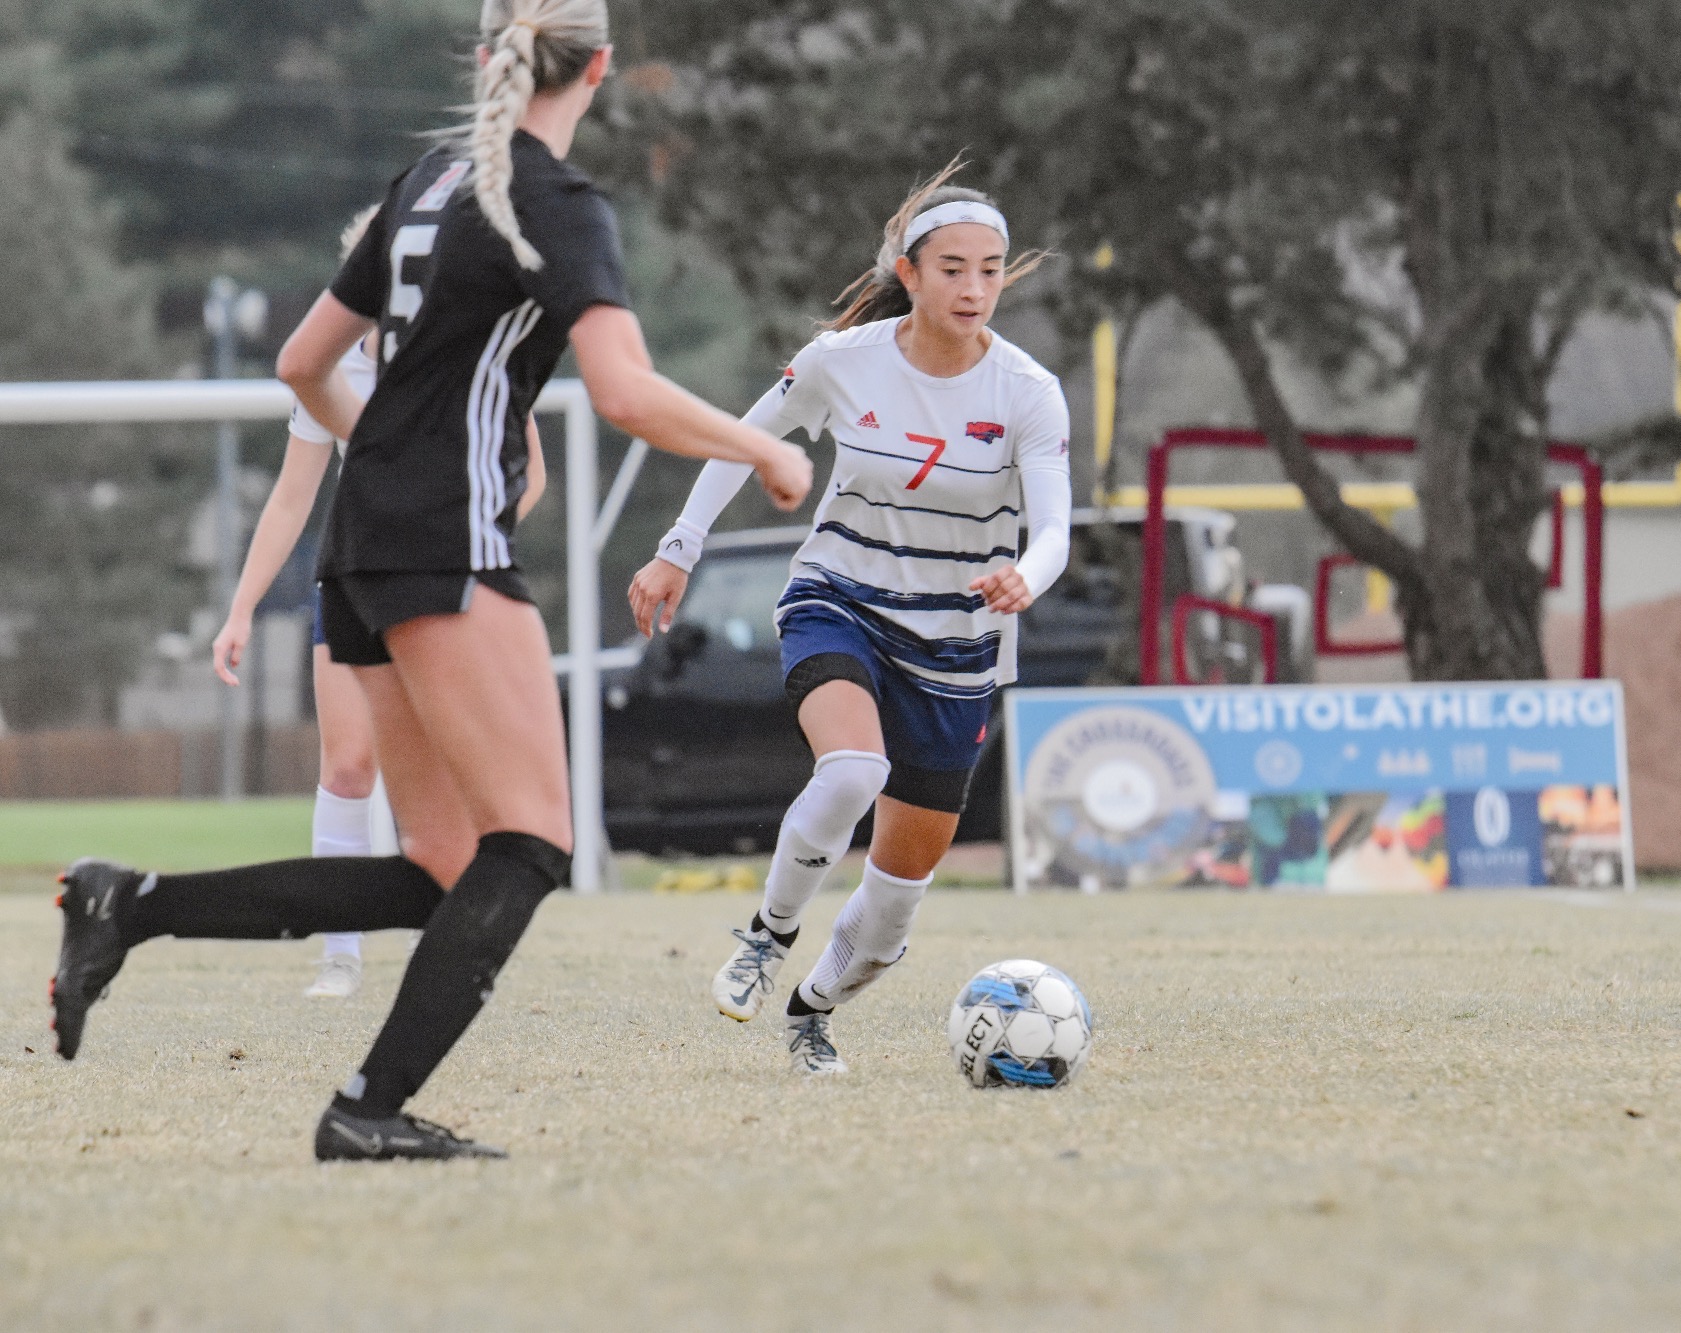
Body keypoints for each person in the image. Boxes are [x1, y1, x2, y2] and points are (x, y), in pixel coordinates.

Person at [48, 0, 812, 1161]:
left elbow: (301, 361)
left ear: (490, 55)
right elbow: (624, 392)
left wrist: (389, 454)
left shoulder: (424, 184)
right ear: (600, 67)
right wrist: (765, 448)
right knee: (532, 845)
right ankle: (364, 1110)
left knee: (444, 866)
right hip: (441, 546)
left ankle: (132, 903)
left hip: (360, 541)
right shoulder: (553, 201)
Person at [627, 161, 1073, 1075]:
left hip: (957, 646)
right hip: (842, 601)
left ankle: (813, 1008)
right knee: (853, 769)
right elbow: (743, 439)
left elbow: (1057, 526)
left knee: (893, 910)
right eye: (953, 268)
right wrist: (679, 545)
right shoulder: (842, 360)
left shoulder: (1028, 390)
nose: (975, 288)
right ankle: (765, 936)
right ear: (909, 272)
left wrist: (1025, 575)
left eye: (991, 270)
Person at [209, 209, 548, 1001]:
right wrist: (241, 608)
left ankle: (452, 948)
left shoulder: (474, 354)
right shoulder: (331, 369)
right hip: (354, 577)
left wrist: (472, 533)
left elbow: (528, 475)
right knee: (349, 765)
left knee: (449, 773)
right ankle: (340, 957)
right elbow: (291, 498)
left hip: (446, 582)